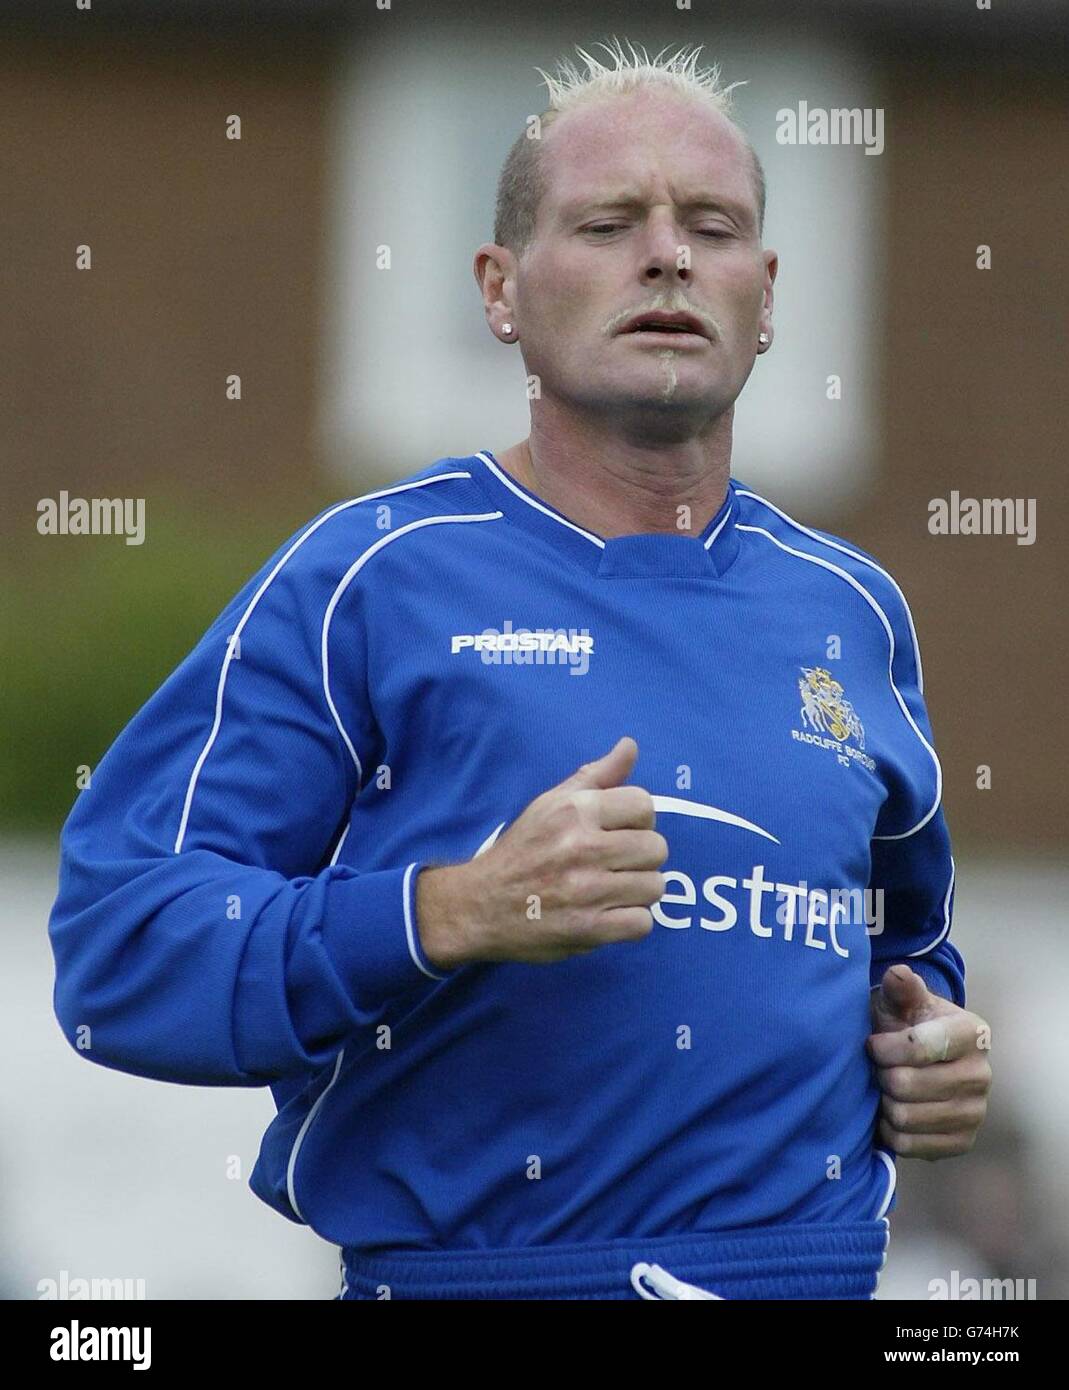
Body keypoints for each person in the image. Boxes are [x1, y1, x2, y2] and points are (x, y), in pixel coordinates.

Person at [48, 38, 991, 1301]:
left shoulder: (852, 610)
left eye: (710, 227)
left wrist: (931, 1040)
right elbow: (121, 952)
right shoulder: (370, 579)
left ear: (765, 296)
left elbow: (906, 947)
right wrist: (447, 912)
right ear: (498, 290)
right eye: (607, 222)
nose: (667, 255)